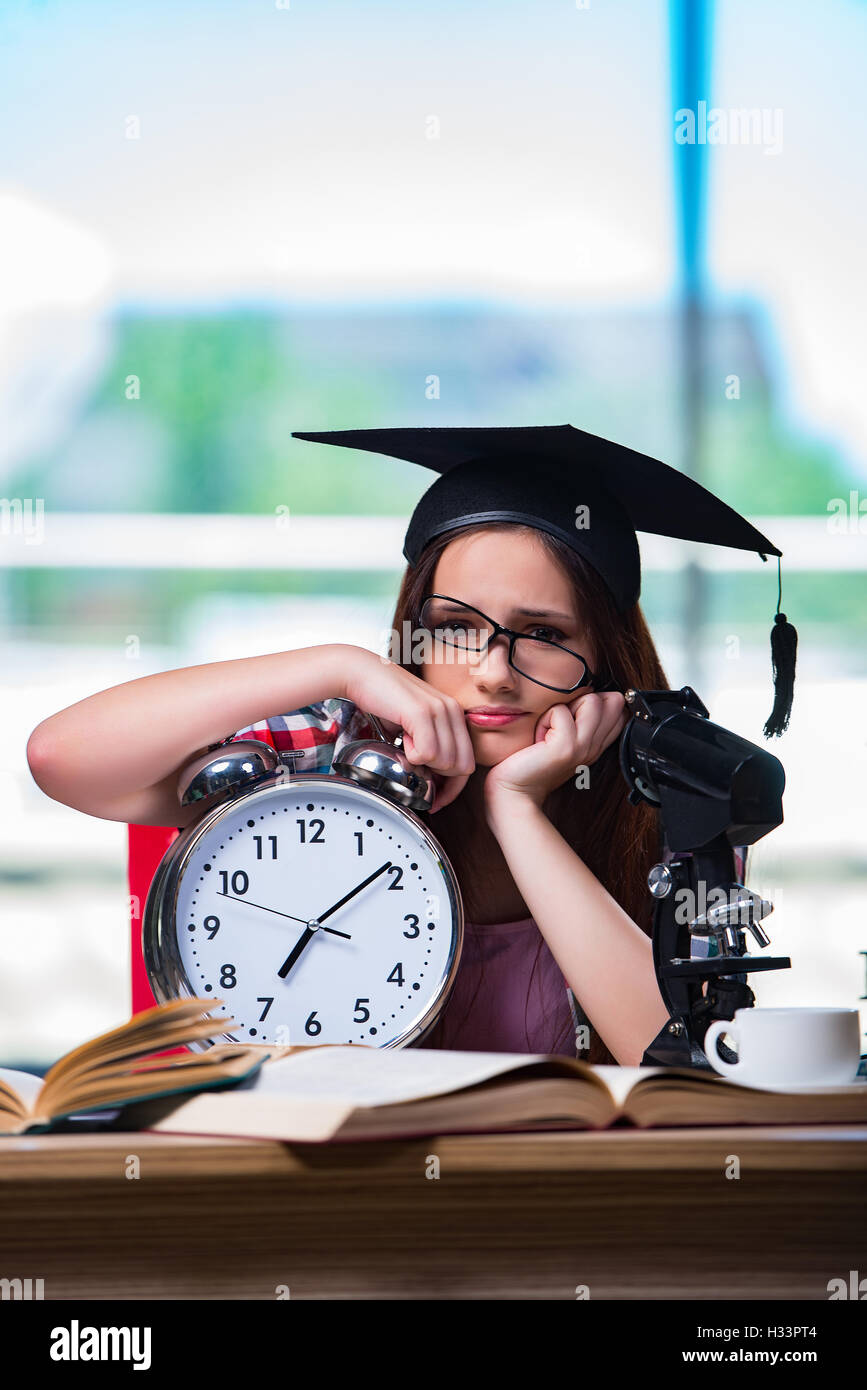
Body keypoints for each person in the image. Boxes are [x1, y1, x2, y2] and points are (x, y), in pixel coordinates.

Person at [26, 424, 783, 1068]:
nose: (491, 675)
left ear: (608, 659)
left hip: (565, 1202)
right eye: (453, 627)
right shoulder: (333, 758)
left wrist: (516, 808)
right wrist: (342, 667)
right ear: (412, 635)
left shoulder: (680, 805)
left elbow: (677, 1059)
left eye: (544, 636)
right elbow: (61, 757)